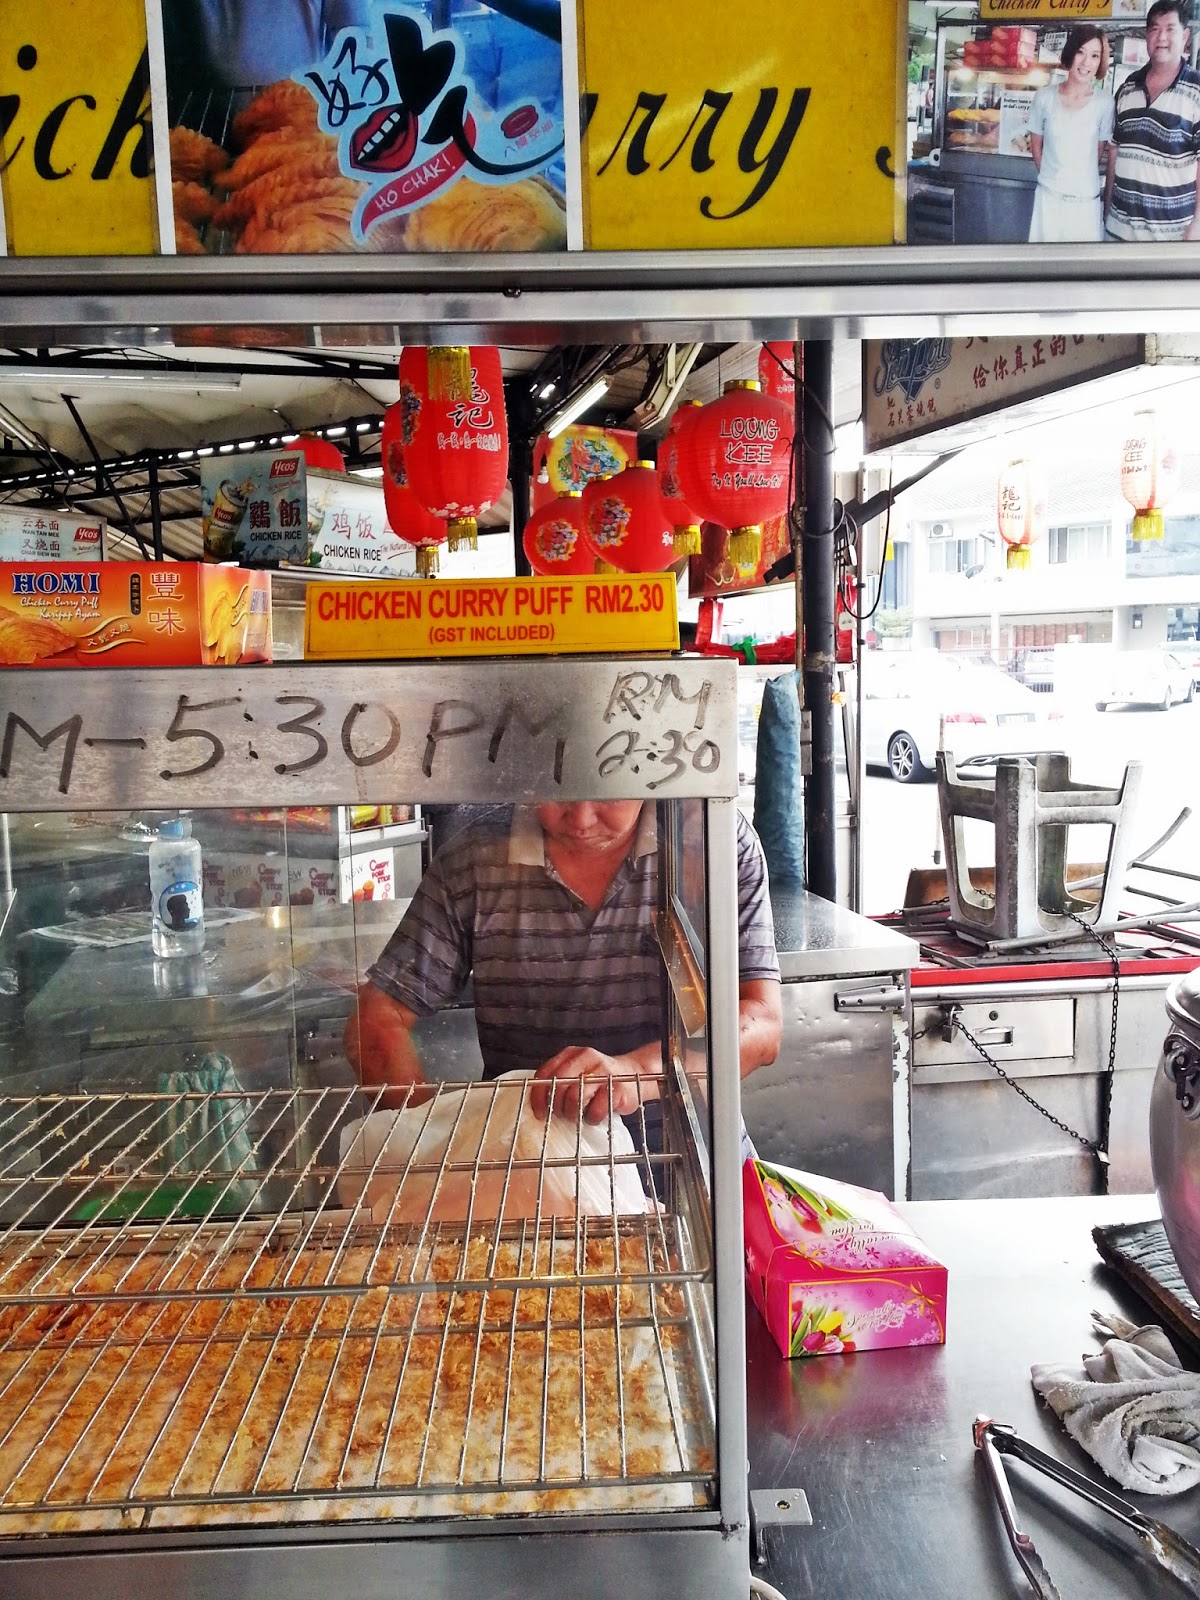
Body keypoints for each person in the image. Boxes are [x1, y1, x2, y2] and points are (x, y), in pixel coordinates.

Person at [343, 800, 782, 1144]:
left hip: (697, 1167)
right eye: (557, 793)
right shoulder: (475, 860)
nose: (582, 818)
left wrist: (635, 1073)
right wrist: (437, 1143)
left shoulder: (710, 839)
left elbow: (761, 1024)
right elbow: (376, 1020)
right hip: (535, 1173)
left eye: (608, 792)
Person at [1104, 0, 1200, 242]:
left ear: (1185, 35)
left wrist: (1198, 222)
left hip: (1170, 238)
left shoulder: (1197, 91)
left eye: (1170, 29)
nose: (1162, 37)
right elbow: (1115, 154)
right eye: (1155, 29)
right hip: (1118, 231)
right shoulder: (1127, 88)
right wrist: (1106, 213)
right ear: (1147, 36)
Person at [1027, 26, 1114, 243]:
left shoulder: (1105, 103)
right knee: (1044, 270)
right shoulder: (1044, 97)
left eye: (1095, 56)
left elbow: (1097, 153)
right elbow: (1036, 147)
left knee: (1082, 272)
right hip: (1048, 200)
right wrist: (1053, 179)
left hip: (1085, 204)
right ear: (1071, 52)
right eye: (1081, 52)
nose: (1086, 63)